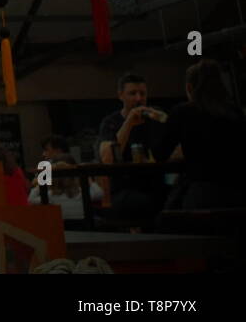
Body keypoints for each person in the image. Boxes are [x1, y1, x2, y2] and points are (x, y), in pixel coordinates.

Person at [152, 60, 246, 210]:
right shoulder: (235, 112)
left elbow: (159, 153)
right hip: (238, 192)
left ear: (189, 87)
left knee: (165, 217)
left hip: (201, 194)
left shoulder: (182, 112)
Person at [97, 71, 167, 225]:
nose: (139, 99)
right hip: (124, 189)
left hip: (156, 186)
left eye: (142, 93)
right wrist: (128, 123)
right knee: (139, 203)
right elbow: (107, 158)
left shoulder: (155, 119)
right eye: (132, 93)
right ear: (121, 95)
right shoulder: (111, 122)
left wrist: (166, 120)